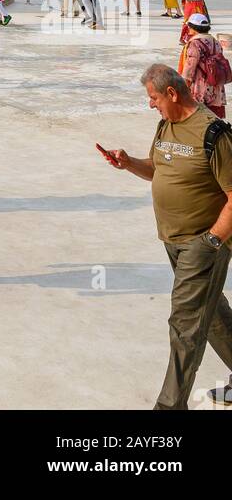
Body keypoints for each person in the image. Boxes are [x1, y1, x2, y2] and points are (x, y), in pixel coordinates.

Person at [103, 62, 232, 410]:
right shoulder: (165, 125)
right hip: (172, 242)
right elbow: (158, 168)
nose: (151, 104)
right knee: (212, 314)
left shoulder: (214, 133)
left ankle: (170, 406)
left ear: (172, 93)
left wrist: (213, 241)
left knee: (185, 324)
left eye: (154, 97)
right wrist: (128, 162)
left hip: (203, 243)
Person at [181, 14, 230, 118]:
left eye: (189, 26)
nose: (188, 29)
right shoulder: (216, 42)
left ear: (194, 28)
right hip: (216, 86)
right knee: (214, 120)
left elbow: (189, 69)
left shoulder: (195, 43)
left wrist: (182, 88)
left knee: (200, 120)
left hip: (200, 88)